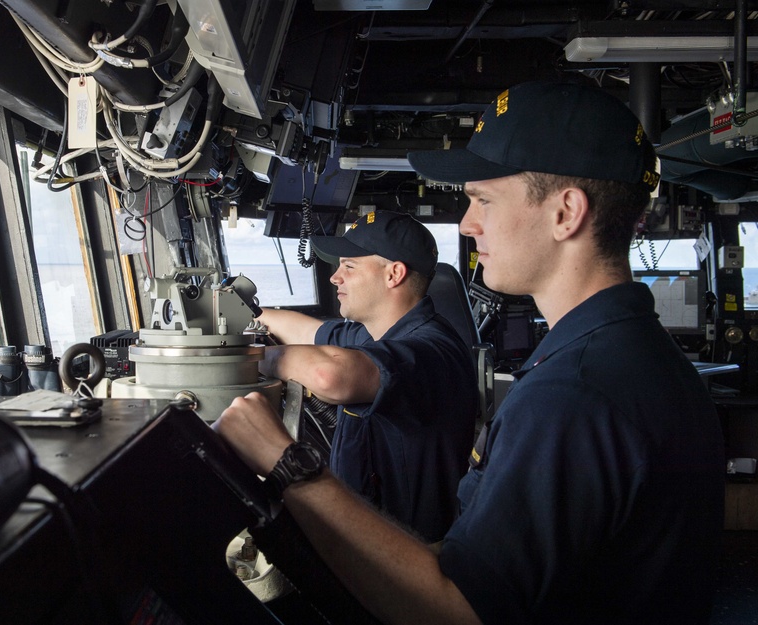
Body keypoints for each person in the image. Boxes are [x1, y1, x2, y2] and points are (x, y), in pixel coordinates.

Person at [213, 80, 725, 624]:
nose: (466, 223)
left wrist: (287, 466)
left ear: (565, 213)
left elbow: (457, 610)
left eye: (483, 199)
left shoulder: (574, 394)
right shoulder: (628, 353)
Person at [255, 210, 477, 543]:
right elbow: (304, 329)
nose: (334, 277)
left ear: (394, 274)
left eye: (349, 266)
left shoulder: (431, 351)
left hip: (409, 555)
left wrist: (248, 359)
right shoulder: (372, 335)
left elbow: (329, 375)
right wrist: (243, 311)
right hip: (366, 537)